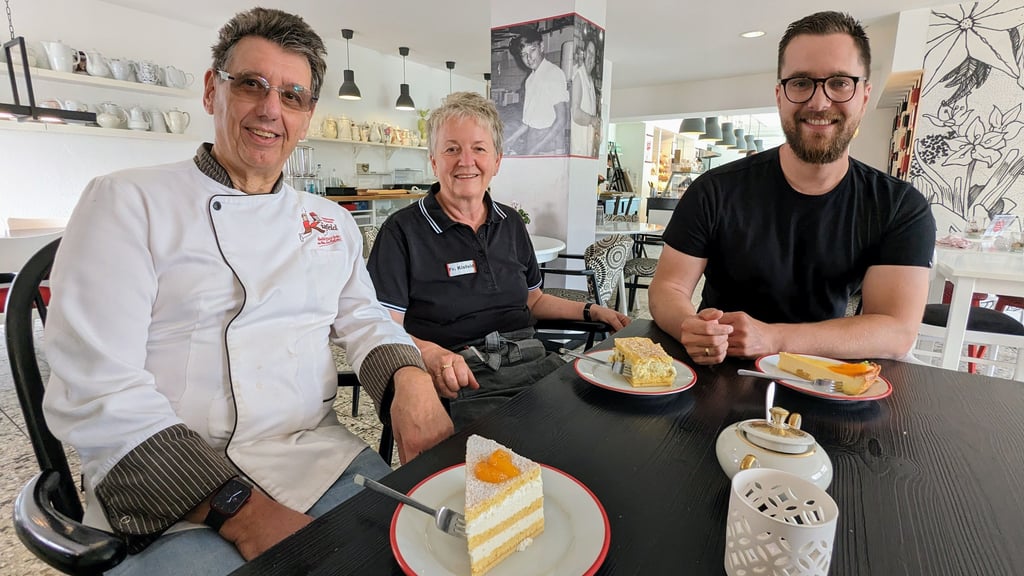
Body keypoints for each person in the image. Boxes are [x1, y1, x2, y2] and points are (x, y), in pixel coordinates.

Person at [41, 8, 452, 575]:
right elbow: (97, 387)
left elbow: (365, 319)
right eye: (252, 85)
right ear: (213, 90)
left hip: (316, 456)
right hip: (170, 482)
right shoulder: (127, 201)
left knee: (426, 555)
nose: (270, 110)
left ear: (308, 115)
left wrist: (410, 380)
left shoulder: (329, 220)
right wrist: (245, 511)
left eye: (292, 95)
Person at [649, 11, 935, 366]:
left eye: (839, 82)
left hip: (825, 375)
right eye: (800, 82)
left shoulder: (899, 206)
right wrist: (687, 325)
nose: (819, 101)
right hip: (717, 373)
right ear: (780, 95)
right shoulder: (715, 190)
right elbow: (669, 289)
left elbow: (895, 331)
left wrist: (772, 338)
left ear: (864, 95)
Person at [367, 91, 629, 430]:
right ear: (433, 161)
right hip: (459, 377)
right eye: (451, 149)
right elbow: (384, 328)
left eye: (478, 148)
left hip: (531, 361)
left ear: (497, 161)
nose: (466, 161)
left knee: (602, 423)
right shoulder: (402, 232)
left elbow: (532, 299)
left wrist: (592, 310)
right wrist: (432, 355)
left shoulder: (510, 222)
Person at [504, 27, 570, 155]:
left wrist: (533, 151)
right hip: (534, 147)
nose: (529, 58)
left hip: (549, 151)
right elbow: (528, 122)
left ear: (542, 47)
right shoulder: (530, 80)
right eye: (524, 54)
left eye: (532, 50)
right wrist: (509, 141)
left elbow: (562, 120)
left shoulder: (553, 73)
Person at [570, 38, 600, 157]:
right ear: (584, 54)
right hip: (578, 149)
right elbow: (576, 113)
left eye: (593, 54)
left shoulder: (590, 81)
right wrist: (592, 119)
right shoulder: (578, 76)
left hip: (588, 149)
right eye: (589, 52)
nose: (590, 57)